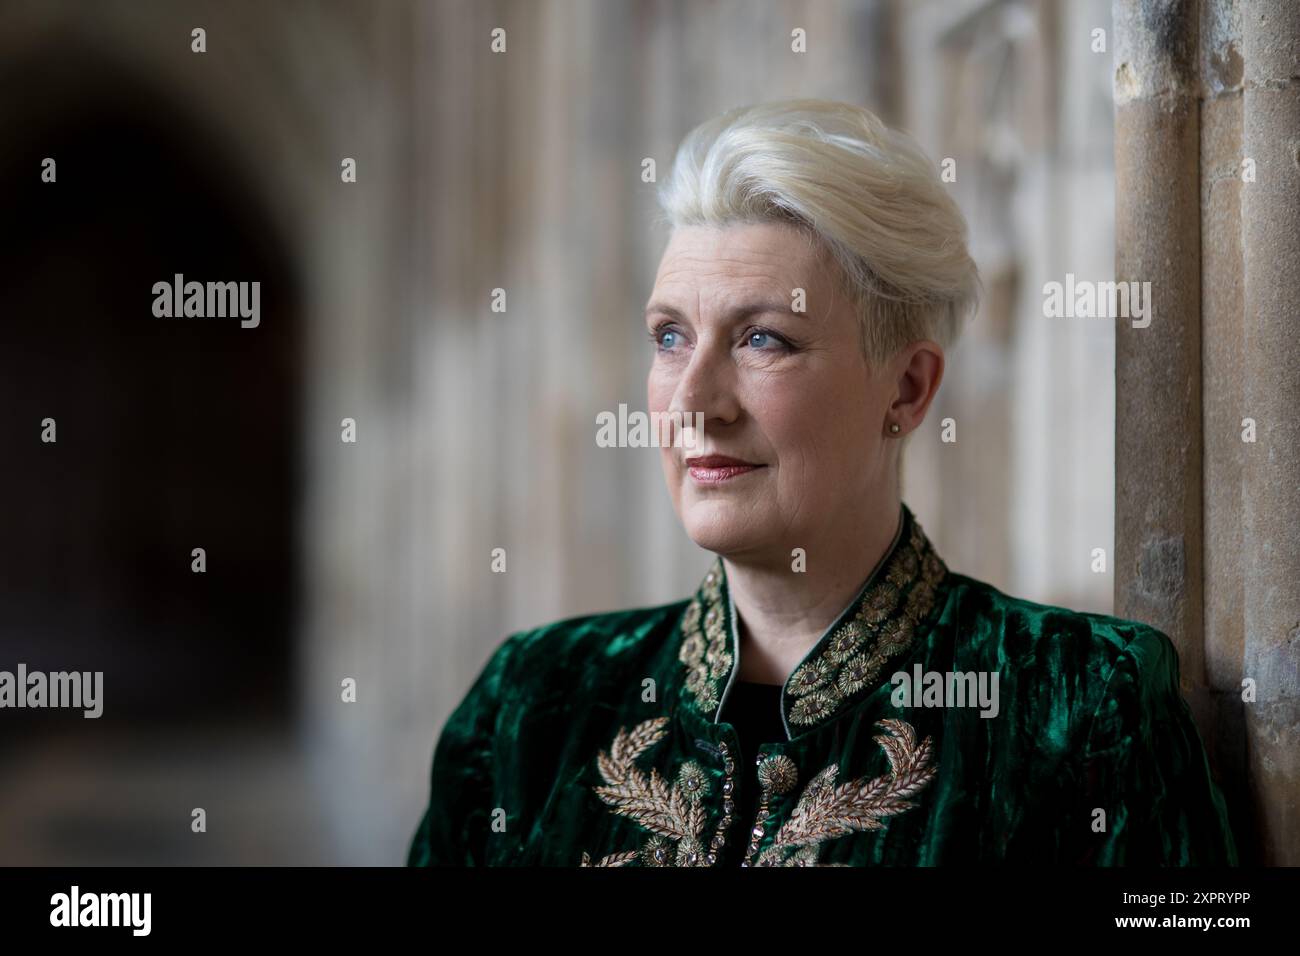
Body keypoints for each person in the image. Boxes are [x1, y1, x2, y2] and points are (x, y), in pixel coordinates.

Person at [407, 99, 1237, 866]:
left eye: (763, 339)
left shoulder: (1080, 704)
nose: (693, 401)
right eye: (669, 336)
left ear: (907, 389)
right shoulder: (531, 703)